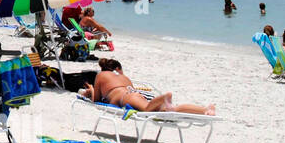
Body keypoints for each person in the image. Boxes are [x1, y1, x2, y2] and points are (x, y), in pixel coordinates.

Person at [82, 58, 216, 114]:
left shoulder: (101, 75)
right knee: (170, 110)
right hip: (133, 94)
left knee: (147, 110)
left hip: (124, 97)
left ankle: (164, 97)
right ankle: (205, 110)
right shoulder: (124, 77)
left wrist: (92, 89)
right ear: (117, 69)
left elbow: (96, 101)